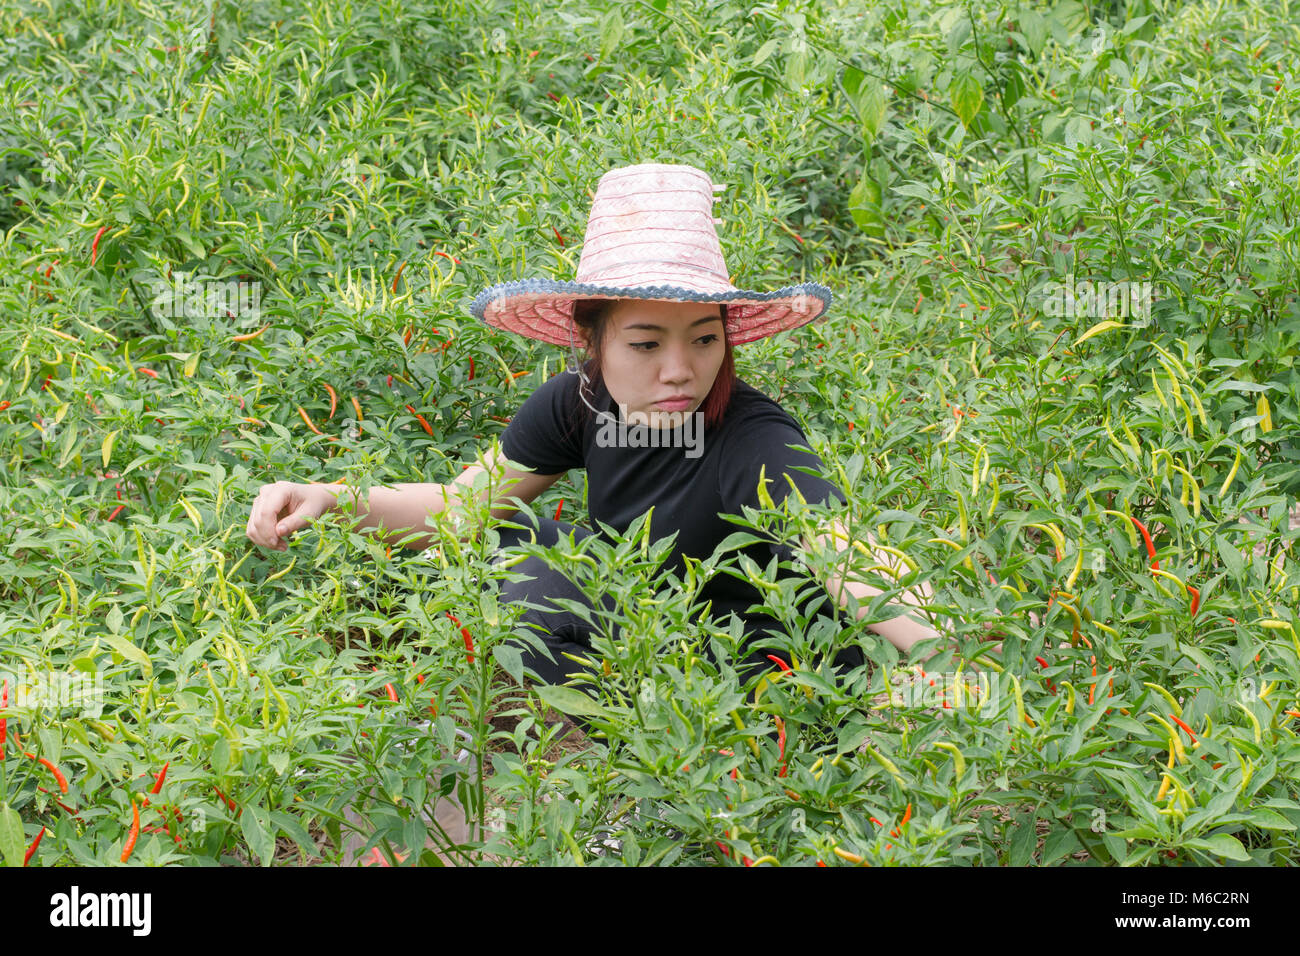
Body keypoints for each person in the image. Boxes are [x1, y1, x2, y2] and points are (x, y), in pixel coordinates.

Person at [245, 163, 954, 703]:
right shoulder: (576, 404)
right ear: (593, 341)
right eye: (646, 345)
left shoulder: (754, 438)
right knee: (516, 556)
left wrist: (959, 673)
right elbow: (462, 512)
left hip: (768, 675)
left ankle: (696, 773)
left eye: (704, 340)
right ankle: (625, 746)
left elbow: (852, 558)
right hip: (654, 640)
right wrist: (331, 497)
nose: (681, 371)